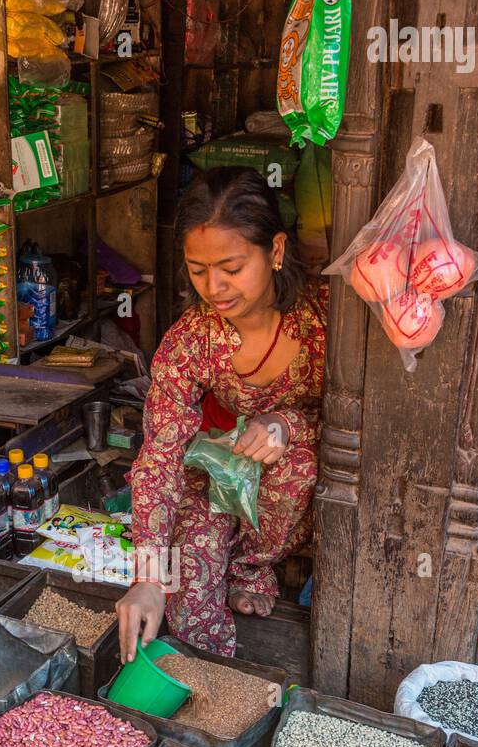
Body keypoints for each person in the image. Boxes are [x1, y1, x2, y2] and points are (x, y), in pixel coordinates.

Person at [117, 166, 328, 662]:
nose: (214, 286)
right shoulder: (191, 339)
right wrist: (148, 575)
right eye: (197, 269)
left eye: (231, 268)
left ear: (275, 250)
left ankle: (252, 565)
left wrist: (286, 423)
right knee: (186, 609)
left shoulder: (325, 320)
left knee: (295, 457)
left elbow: (360, 423)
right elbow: (161, 455)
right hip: (214, 480)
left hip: (290, 494)